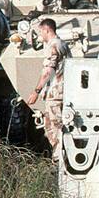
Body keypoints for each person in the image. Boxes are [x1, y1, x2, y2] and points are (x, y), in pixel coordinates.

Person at [25, 17, 69, 154]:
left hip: (55, 92)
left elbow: (48, 71)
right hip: (61, 91)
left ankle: (60, 156)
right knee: (51, 123)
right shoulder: (62, 44)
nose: (39, 36)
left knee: (56, 127)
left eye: (40, 32)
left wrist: (36, 91)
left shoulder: (53, 46)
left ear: (46, 30)